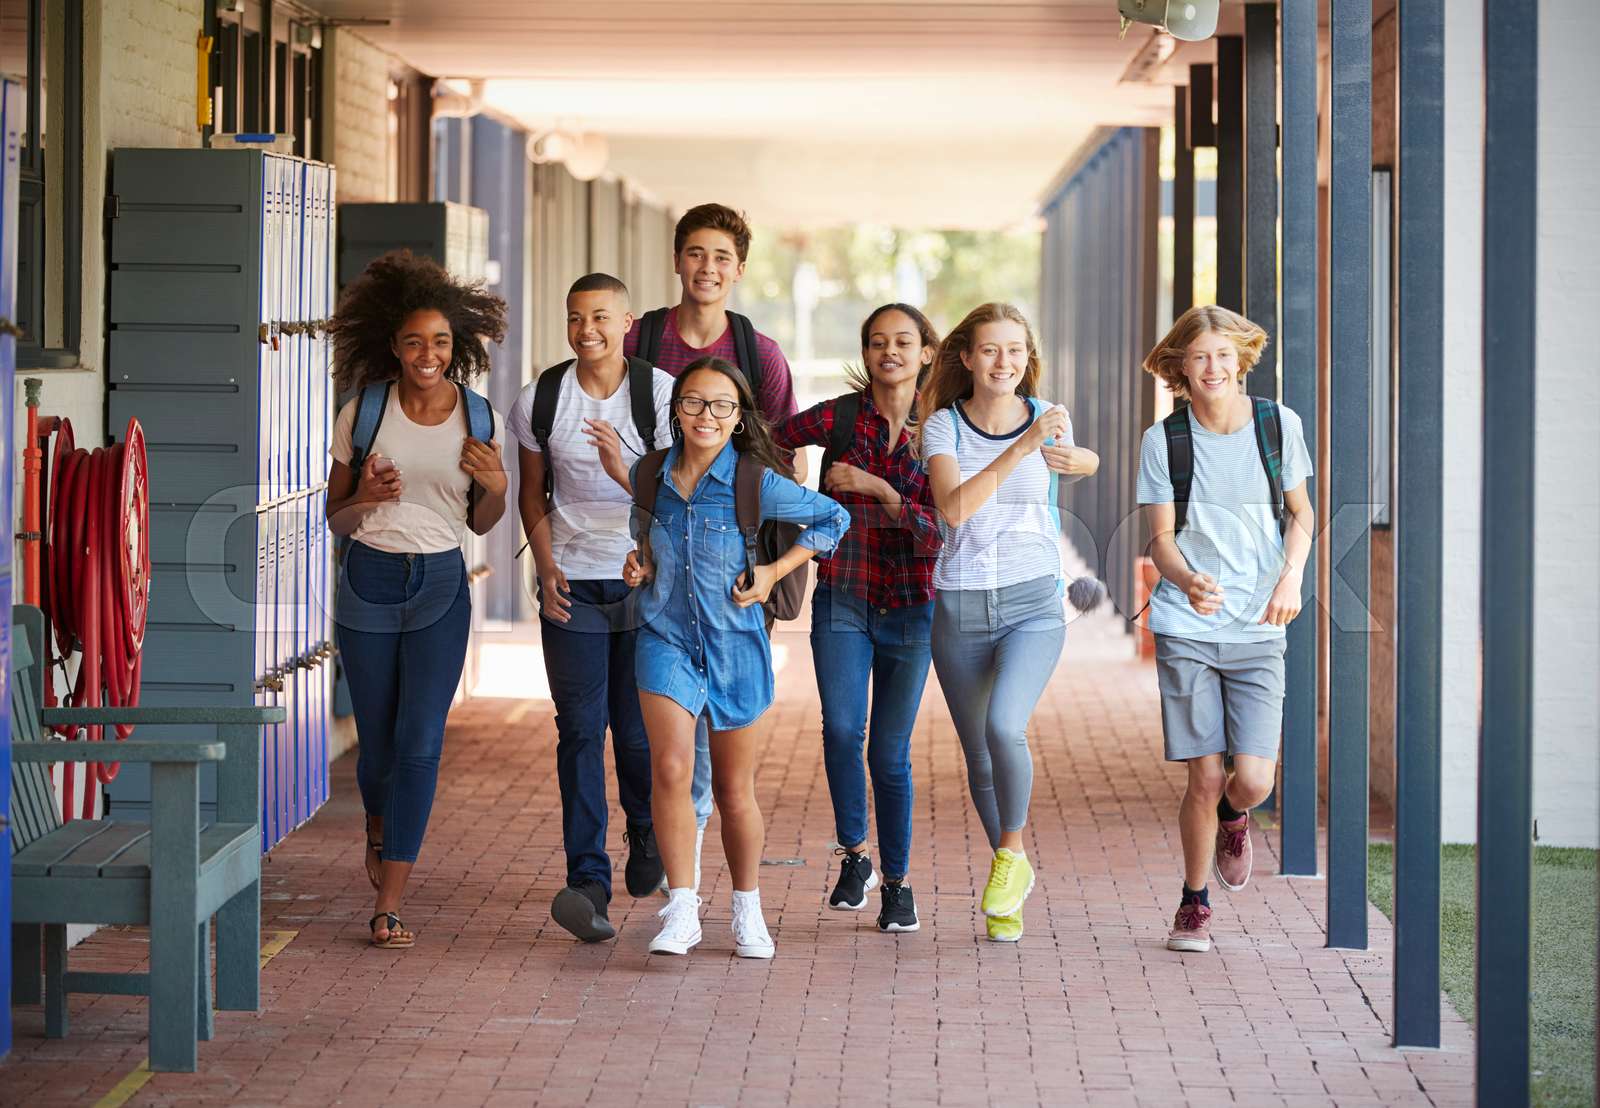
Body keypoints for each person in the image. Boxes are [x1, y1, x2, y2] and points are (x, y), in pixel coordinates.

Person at [625, 357, 849, 958]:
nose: (707, 415)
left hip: (735, 646)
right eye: (695, 402)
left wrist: (775, 570)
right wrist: (639, 563)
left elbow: (834, 516)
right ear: (677, 410)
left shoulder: (754, 481)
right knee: (671, 769)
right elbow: (642, 542)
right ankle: (681, 911)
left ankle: (748, 909)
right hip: (664, 638)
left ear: (738, 417)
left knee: (731, 789)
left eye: (722, 405)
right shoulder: (649, 475)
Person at [324, 250, 509, 948]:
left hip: (440, 584)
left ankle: (389, 901)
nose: (427, 353)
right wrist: (366, 497)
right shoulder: (365, 410)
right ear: (393, 348)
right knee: (377, 745)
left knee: (422, 742)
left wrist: (497, 487)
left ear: (456, 346)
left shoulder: (480, 416)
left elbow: (480, 522)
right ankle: (378, 821)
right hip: (369, 577)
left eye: (439, 341)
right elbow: (335, 518)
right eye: (412, 341)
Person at [623, 202, 804, 890]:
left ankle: (685, 858)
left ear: (739, 271)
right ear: (677, 260)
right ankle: (657, 833)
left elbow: (784, 458)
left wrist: (768, 556)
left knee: (711, 727)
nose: (708, 268)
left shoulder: (760, 356)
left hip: (731, 562)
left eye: (722, 257)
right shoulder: (639, 340)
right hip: (649, 547)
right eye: (696, 253)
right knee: (646, 712)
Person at [1135, 305, 1313, 954]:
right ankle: (1193, 902)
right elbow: (1160, 538)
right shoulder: (1166, 441)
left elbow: (1302, 513)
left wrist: (1290, 575)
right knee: (1203, 778)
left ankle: (1237, 818)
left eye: (1222, 355)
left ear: (1241, 359)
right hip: (1188, 624)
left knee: (1254, 780)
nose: (1212, 367)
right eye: (1198, 357)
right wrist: (1185, 581)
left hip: (1261, 627)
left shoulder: (1276, 425)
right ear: (1181, 367)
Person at [920, 302, 1099, 943]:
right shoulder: (942, 427)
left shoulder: (1049, 416)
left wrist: (1086, 461)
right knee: (980, 758)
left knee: (1005, 726)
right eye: (992, 350)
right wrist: (1022, 448)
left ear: (1029, 359)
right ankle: (1009, 890)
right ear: (967, 357)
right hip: (961, 604)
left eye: (1016, 352)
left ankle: (1012, 853)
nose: (1005, 363)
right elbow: (955, 509)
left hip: (1032, 601)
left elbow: (1075, 461)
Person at [511, 273, 675, 942]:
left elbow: (672, 492)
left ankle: (644, 827)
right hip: (573, 582)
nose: (587, 331)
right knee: (579, 731)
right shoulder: (541, 399)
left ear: (627, 321)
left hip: (641, 580)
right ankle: (588, 883)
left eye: (601, 318)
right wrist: (545, 565)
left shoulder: (658, 394)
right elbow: (531, 493)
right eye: (576, 318)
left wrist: (622, 471)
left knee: (635, 735)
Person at [773, 304, 942, 932]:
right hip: (843, 593)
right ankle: (855, 855)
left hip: (915, 607)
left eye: (903, 342)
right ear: (866, 352)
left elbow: (939, 535)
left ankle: (898, 885)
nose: (888, 351)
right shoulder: (841, 417)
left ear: (927, 351)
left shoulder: (947, 429)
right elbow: (766, 440)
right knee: (843, 730)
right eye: (877, 342)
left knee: (890, 754)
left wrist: (877, 488)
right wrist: (793, 493)